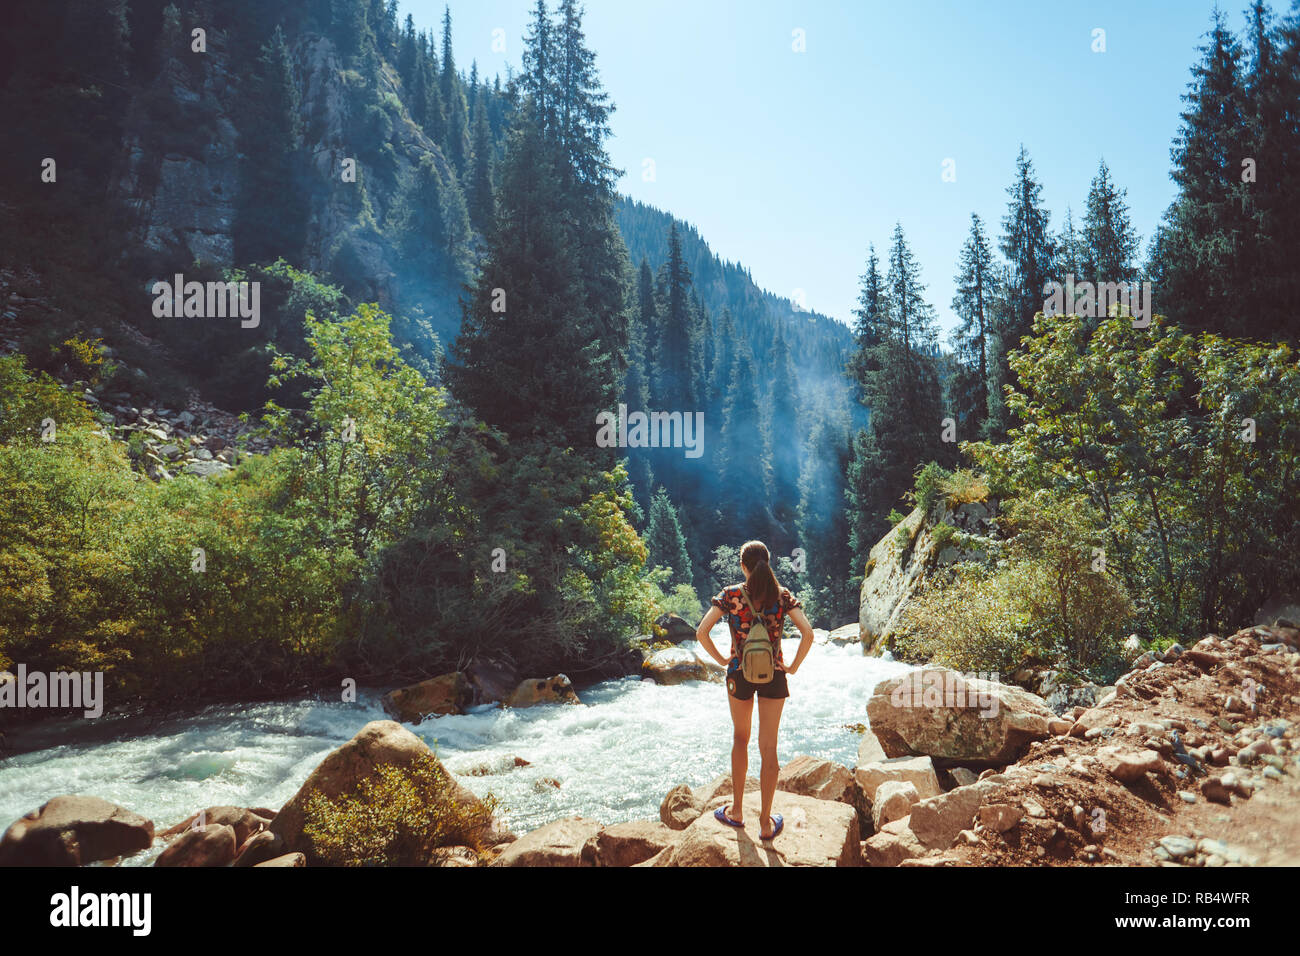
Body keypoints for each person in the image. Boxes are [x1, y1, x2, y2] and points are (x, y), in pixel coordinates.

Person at [695, 539, 815, 840]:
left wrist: (724, 658)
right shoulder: (782, 596)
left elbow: (701, 631)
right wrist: (794, 666)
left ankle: (736, 811)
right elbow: (808, 634)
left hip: (739, 674)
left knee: (740, 738)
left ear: (742, 565)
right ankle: (764, 823)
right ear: (769, 563)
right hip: (774, 675)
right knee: (769, 747)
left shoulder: (731, 594)